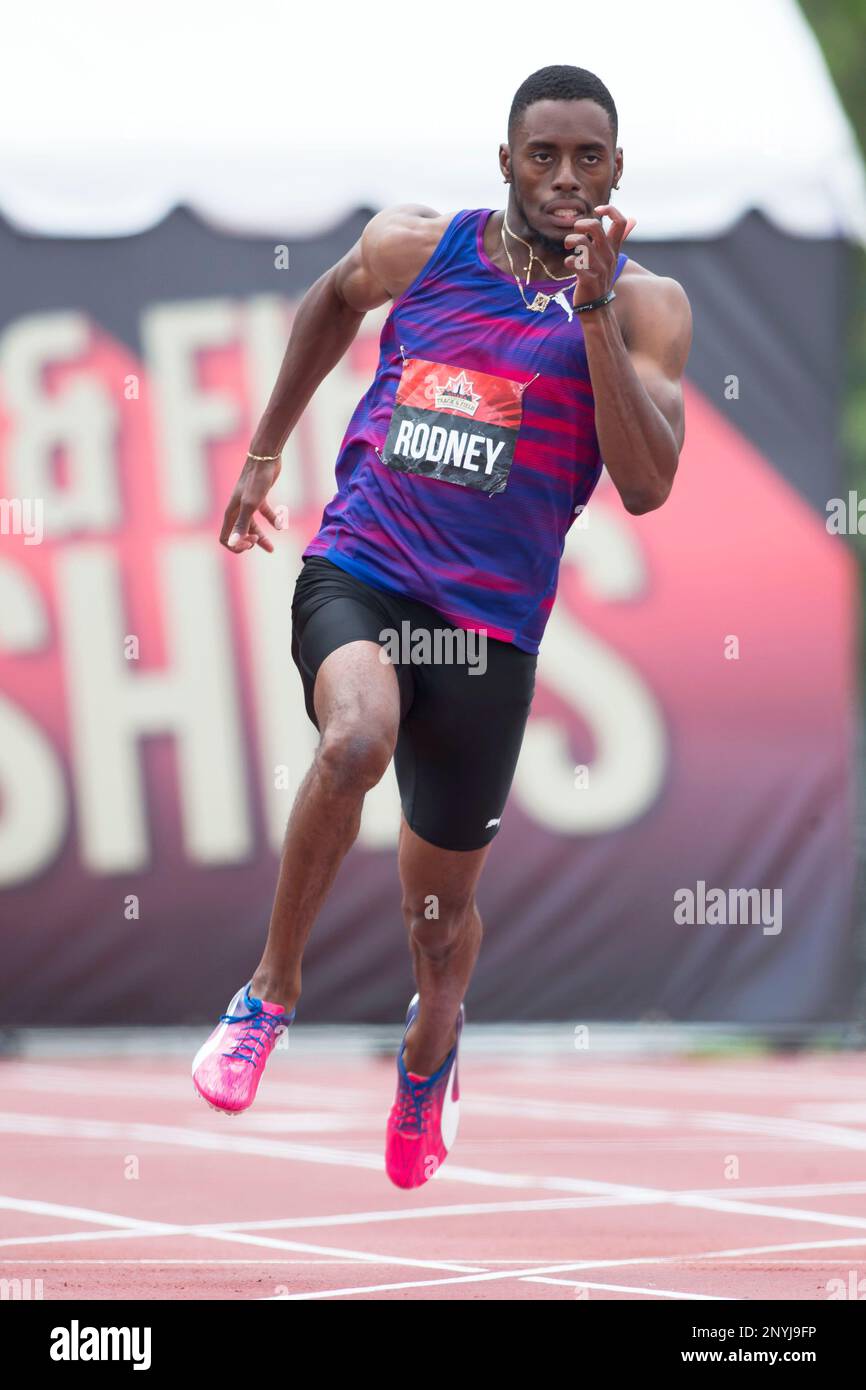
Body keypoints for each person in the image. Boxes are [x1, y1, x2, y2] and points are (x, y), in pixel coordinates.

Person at [192, 63, 693, 1189]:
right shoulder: (421, 247)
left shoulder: (649, 304)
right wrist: (267, 450)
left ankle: (431, 1042)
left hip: (487, 634)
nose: (564, 180)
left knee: (437, 919)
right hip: (361, 569)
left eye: (588, 159)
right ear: (504, 160)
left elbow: (647, 481)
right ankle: (269, 990)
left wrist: (596, 311)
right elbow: (329, 297)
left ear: (617, 170)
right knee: (352, 737)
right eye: (542, 156)